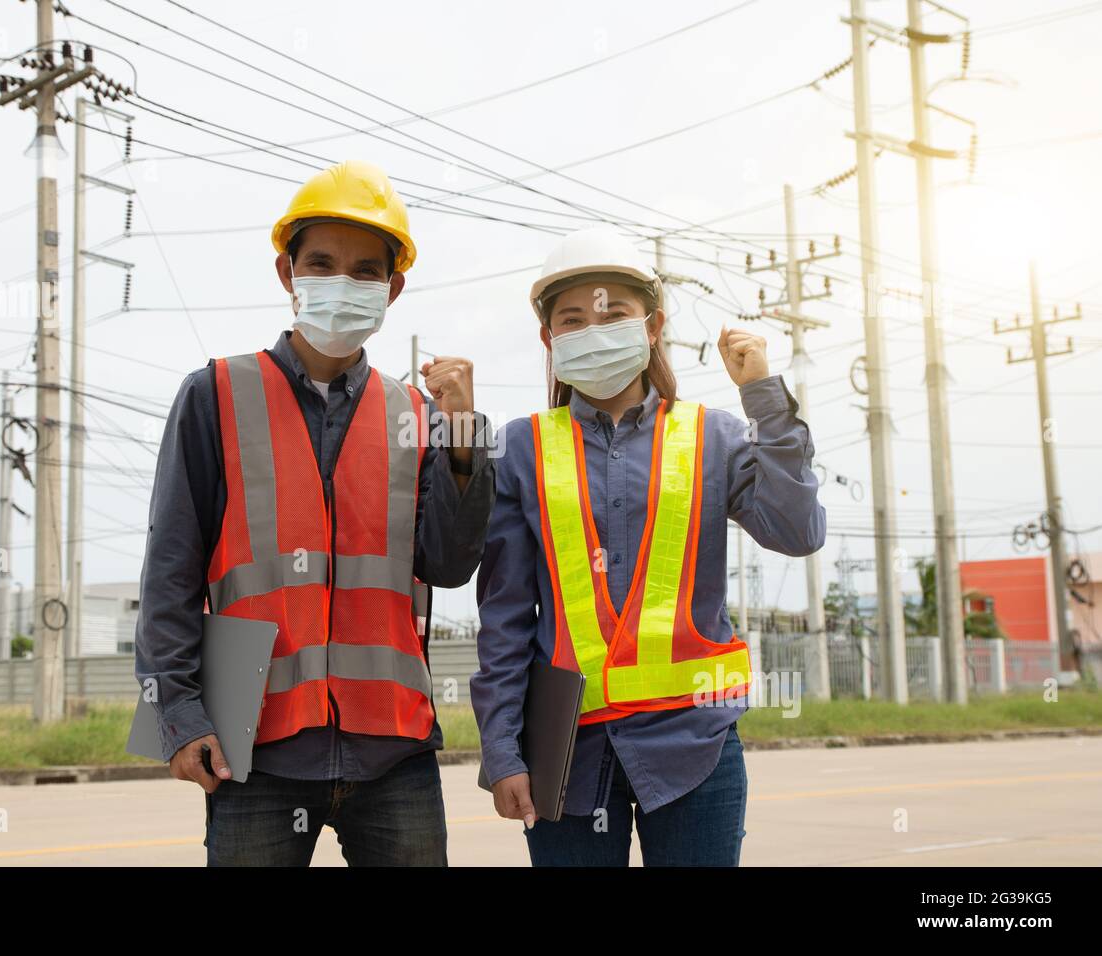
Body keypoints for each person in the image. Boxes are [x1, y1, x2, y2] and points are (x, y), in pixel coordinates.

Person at [135, 160, 495, 866]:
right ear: (286, 272)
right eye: (322, 263)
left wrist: (465, 432)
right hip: (255, 746)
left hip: (394, 747)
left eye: (366, 271)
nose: (344, 283)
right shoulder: (215, 394)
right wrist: (176, 715)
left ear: (392, 289)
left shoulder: (419, 415)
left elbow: (451, 565)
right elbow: (170, 572)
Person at [471, 227, 825, 866]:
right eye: (572, 320)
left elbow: (798, 532)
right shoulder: (520, 448)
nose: (592, 329)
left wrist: (763, 400)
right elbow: (503, 615)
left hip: (695, 741)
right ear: (549, 340)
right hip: (567, 753)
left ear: (653, 325)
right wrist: (500, 747)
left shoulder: (711, 435)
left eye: (613, 314)